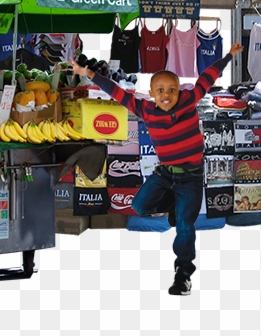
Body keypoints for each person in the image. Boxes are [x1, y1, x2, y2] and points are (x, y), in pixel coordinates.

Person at [71, 42, 243, 296]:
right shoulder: (145, 109)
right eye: (160, 90)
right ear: (151, 93)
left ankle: (183, 274)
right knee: (140, 206)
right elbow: (117, 92)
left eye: (172, 90)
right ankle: (173, 205)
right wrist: (90, 75)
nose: (167, 94)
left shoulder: (190, 99)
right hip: (165, 174)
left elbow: (209, 76)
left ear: (179, 91)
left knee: (185, 226)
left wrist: (228, 55)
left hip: (192, 177)